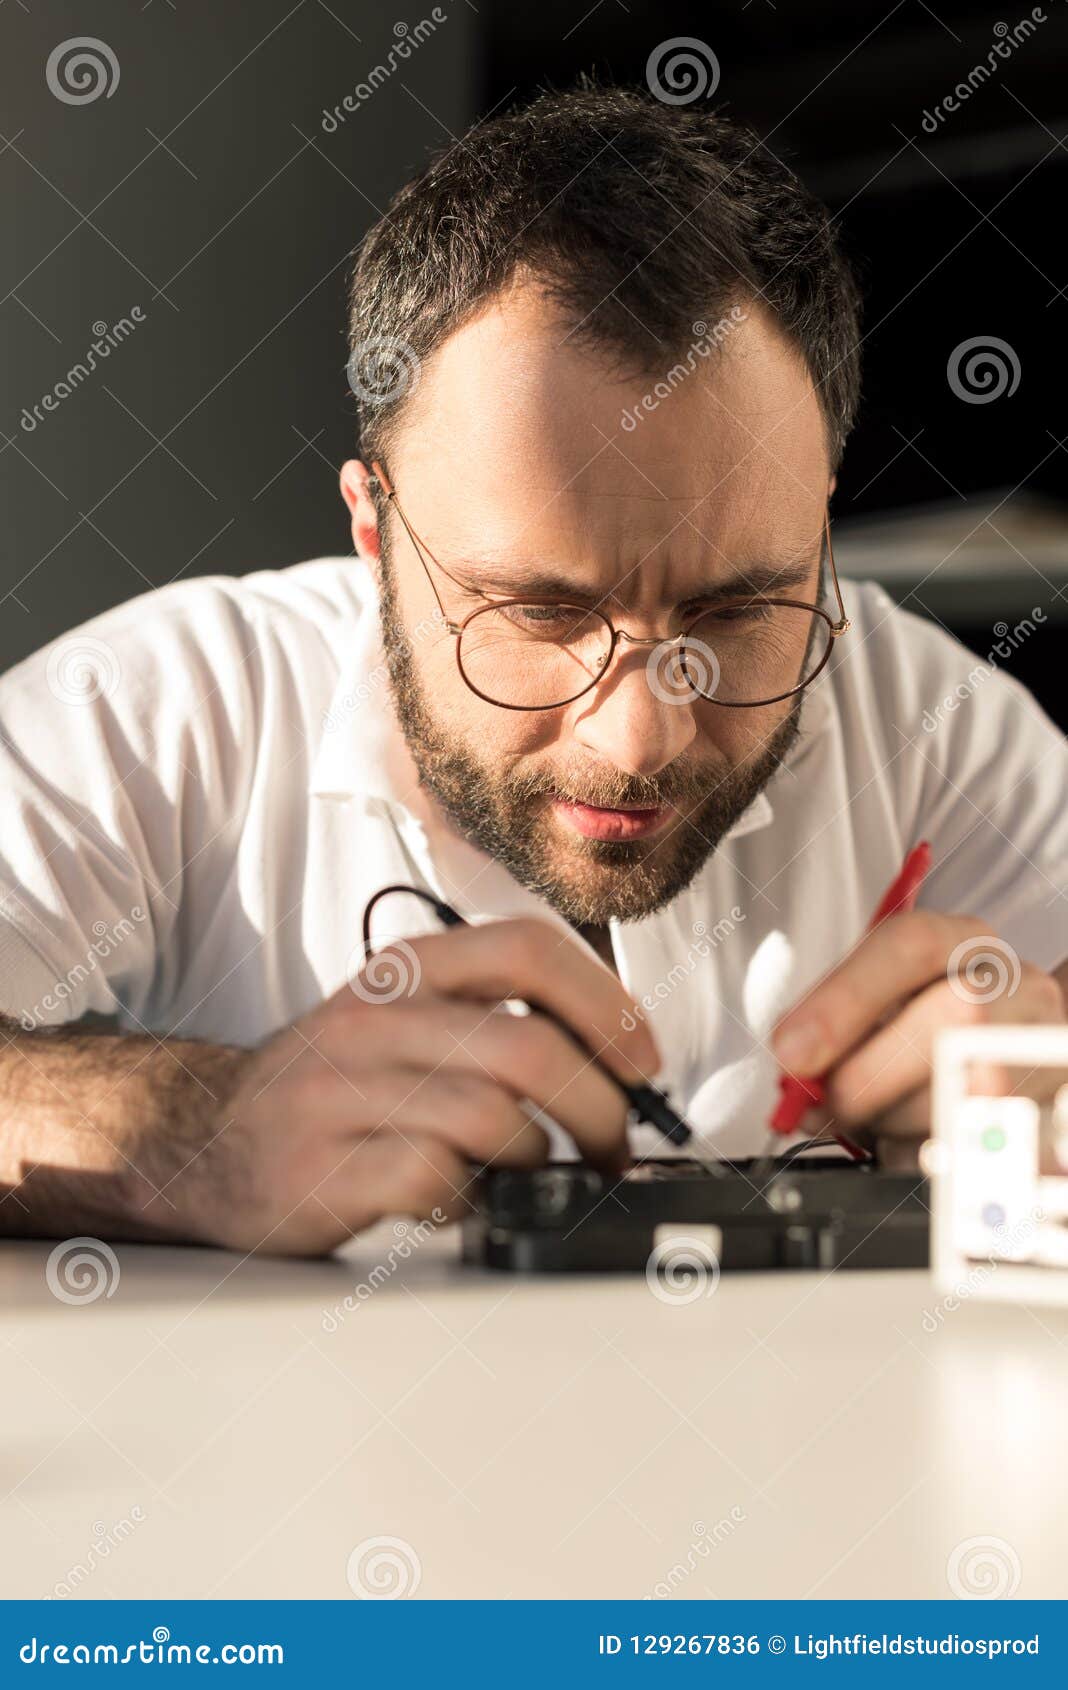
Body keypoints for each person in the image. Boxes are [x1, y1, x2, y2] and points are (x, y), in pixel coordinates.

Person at [1, 85, 1064, 1255]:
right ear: (374, 534)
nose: (639, 740)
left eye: (736, 610)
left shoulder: (933, 721)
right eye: (541, 610)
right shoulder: (167, 709)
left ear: (819, 524)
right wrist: (191, 1132)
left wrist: (1050, 1083)